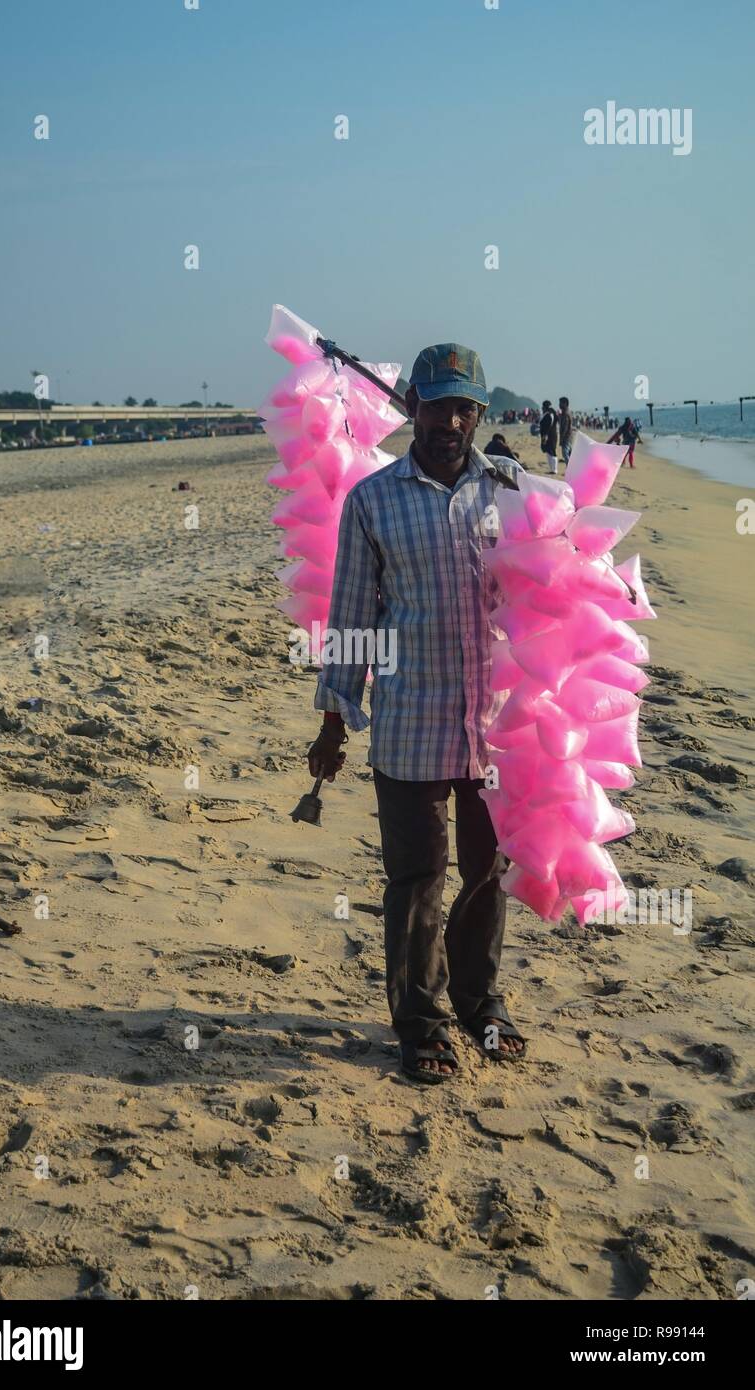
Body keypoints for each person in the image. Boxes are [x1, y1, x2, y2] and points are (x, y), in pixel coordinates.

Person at [308, 343, 527, 1082]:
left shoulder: (511, 494)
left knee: (485, 876)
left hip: (493, 729)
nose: (451, 420)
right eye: (438, 405)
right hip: (408, 722)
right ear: (412, 408)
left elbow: (554, 595)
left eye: (465, 407)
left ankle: (479, 1005)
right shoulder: (372, 501)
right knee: (415, 881)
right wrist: (334, 720)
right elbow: (351, 620)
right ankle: (421, 1022)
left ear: (479, 413)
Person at [539, 398, 558, 473]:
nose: (542, 408)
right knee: (549, 451)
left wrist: (545, 436)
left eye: (543, 407)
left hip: (549, 436)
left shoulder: (549, 415)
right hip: (550, 435)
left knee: (551, 451)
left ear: (545, 407)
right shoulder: (550, 414)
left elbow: (548, 427)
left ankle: (554, 469)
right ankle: (552, 469)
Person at [558, 396, 573, 468]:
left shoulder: (566, 414)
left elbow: (565, 428)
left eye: (561, 403)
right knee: (569, 452)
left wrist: (562, 439)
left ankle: (570, 468)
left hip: (566, 436)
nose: (559, 405)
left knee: (565, 453)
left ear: (565, 404)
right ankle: (572, 467)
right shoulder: (566, 412)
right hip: (569, 436)